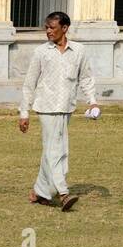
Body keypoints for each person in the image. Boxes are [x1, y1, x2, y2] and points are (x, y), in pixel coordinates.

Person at [18, 11, 100, 211]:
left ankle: (39, 192)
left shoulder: (79, 51)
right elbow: (29, 84)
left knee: (58, 151)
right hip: (46, 107)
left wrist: (93, 102)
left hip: (66, 107)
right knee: (54, 152)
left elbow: (86, 78)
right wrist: (24, 112)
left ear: (64, 28)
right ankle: (63, 194)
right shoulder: (41, 52)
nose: (48, 31)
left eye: (52, 27)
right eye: (46, 27)